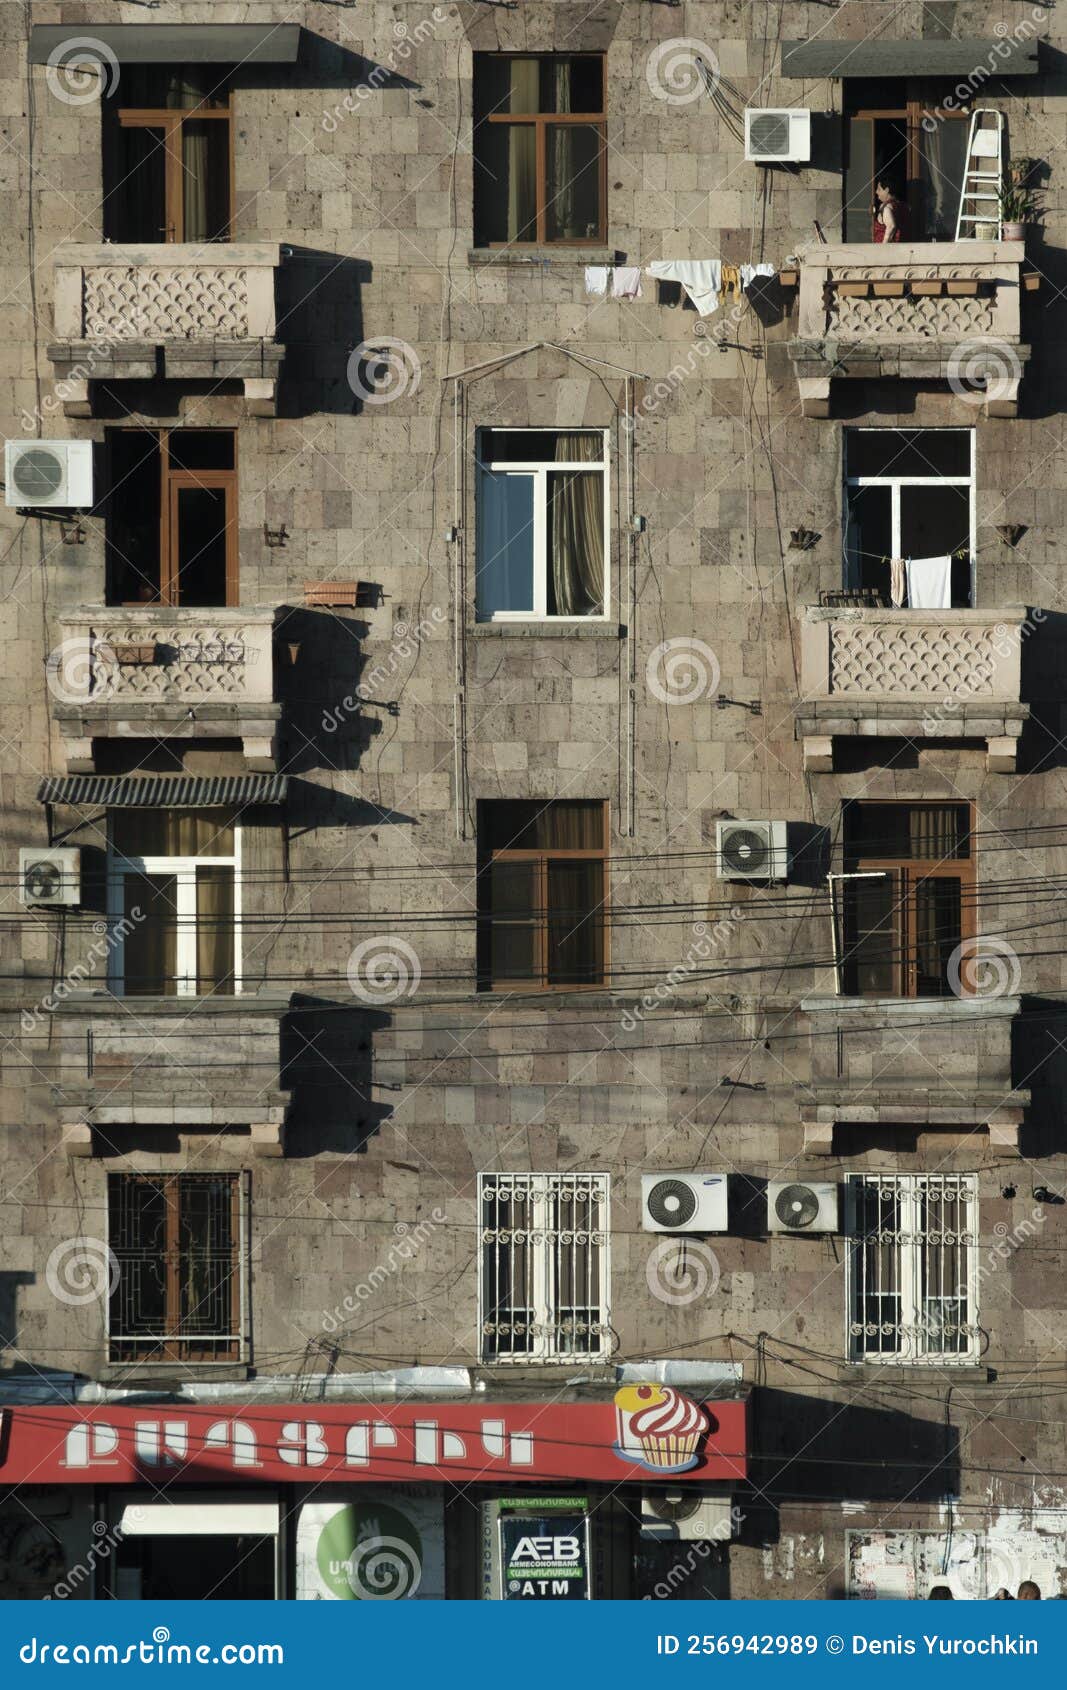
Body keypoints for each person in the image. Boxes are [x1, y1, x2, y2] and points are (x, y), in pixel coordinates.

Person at [872, 177, 912, 243]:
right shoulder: (903, 206)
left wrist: (884, 246)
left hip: (886, 250)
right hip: (903, 247)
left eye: (879, 189)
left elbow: (891, 226)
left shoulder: (886, 207)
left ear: (887, 190)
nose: (876, 192)